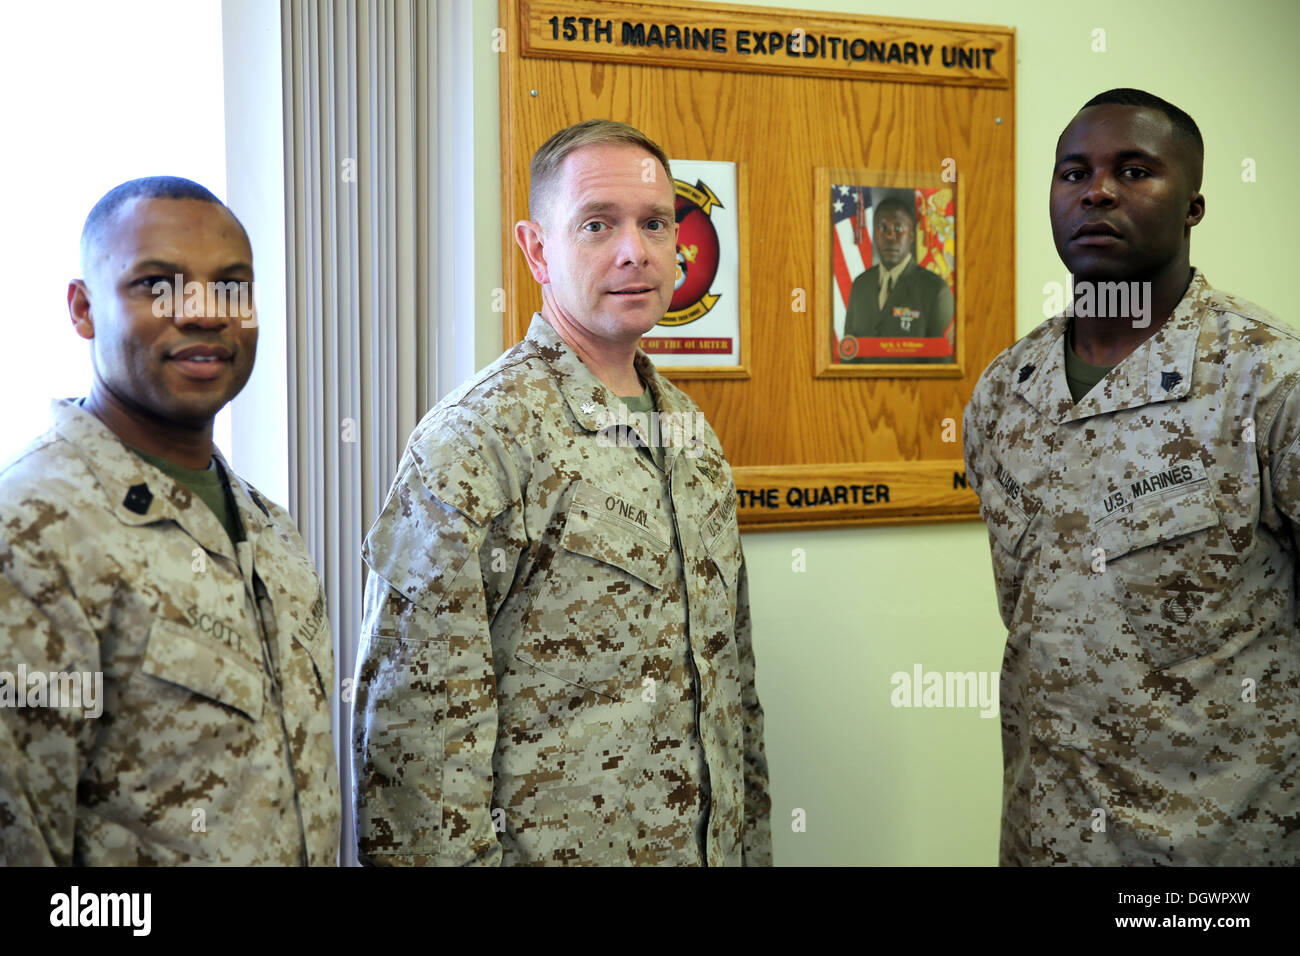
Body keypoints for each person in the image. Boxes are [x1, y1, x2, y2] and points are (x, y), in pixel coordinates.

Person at [353, 119, 772, 866]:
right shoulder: (477, 440)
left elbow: (734, 701)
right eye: (596, 225)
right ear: (537, 249)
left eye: (654, 224)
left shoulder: (691, 433)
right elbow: (415, 745)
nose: (633, 251)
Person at [964, 89, 1300, 865]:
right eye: (1073, 172)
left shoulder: (1269, 381)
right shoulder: (1005, 391)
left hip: (1218, 856)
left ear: (1194, 205)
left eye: (1135, 170)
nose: (1098, 191)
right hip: (1043, 836)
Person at [0, 177, 340, 865]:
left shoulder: (267, 527)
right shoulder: (34, 531)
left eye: (231, 286)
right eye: (158, 284)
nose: (204, 313)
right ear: (83, 308)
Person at [842, 195, 954, 364]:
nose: (890, 236)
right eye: (882, 227)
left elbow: (940, 367)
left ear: (912, 235)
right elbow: (849, 353)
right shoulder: (860, 285)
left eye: (899, 227)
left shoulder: (935, 290)